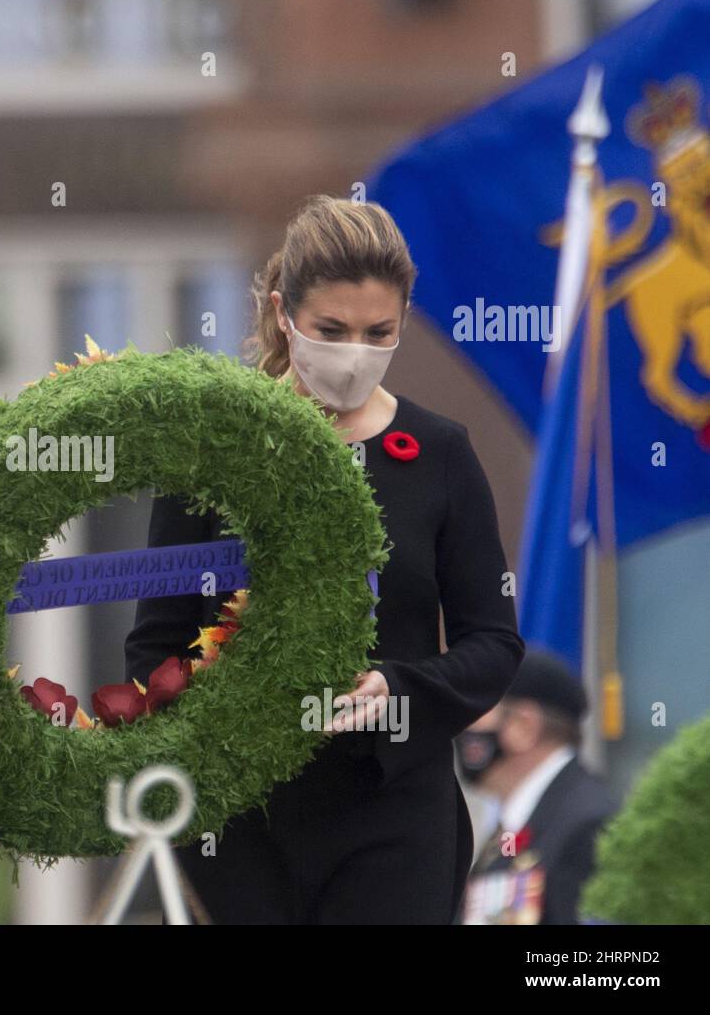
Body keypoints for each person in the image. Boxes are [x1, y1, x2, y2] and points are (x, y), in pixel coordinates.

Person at [124, 194, 525, 924]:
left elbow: (492, 644)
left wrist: (397, 687)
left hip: (394, 813)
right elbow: (155, 646)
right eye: (331, 330)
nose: (354, 354)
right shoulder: (212, 454)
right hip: (243, 824)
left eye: (380, 333)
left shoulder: (440, 455)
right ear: (284, 314)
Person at [457, 650, 618, 925]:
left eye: (478, 710)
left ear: (524, 726)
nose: (462, 727)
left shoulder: (587, 827)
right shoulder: (516, 824)